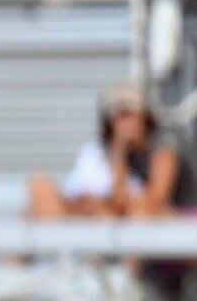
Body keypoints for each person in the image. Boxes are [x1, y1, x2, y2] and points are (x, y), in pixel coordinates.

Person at [26, 81, 195, 221]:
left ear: (144, 115)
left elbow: (156, 199)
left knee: (138, 213)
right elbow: (117, 200)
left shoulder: (165, 143)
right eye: (119, 117)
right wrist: (118, 155)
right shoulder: (116, 151)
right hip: (143, 218)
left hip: (185, 216)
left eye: (130, 114)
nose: (126, 123)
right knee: (40, 193)